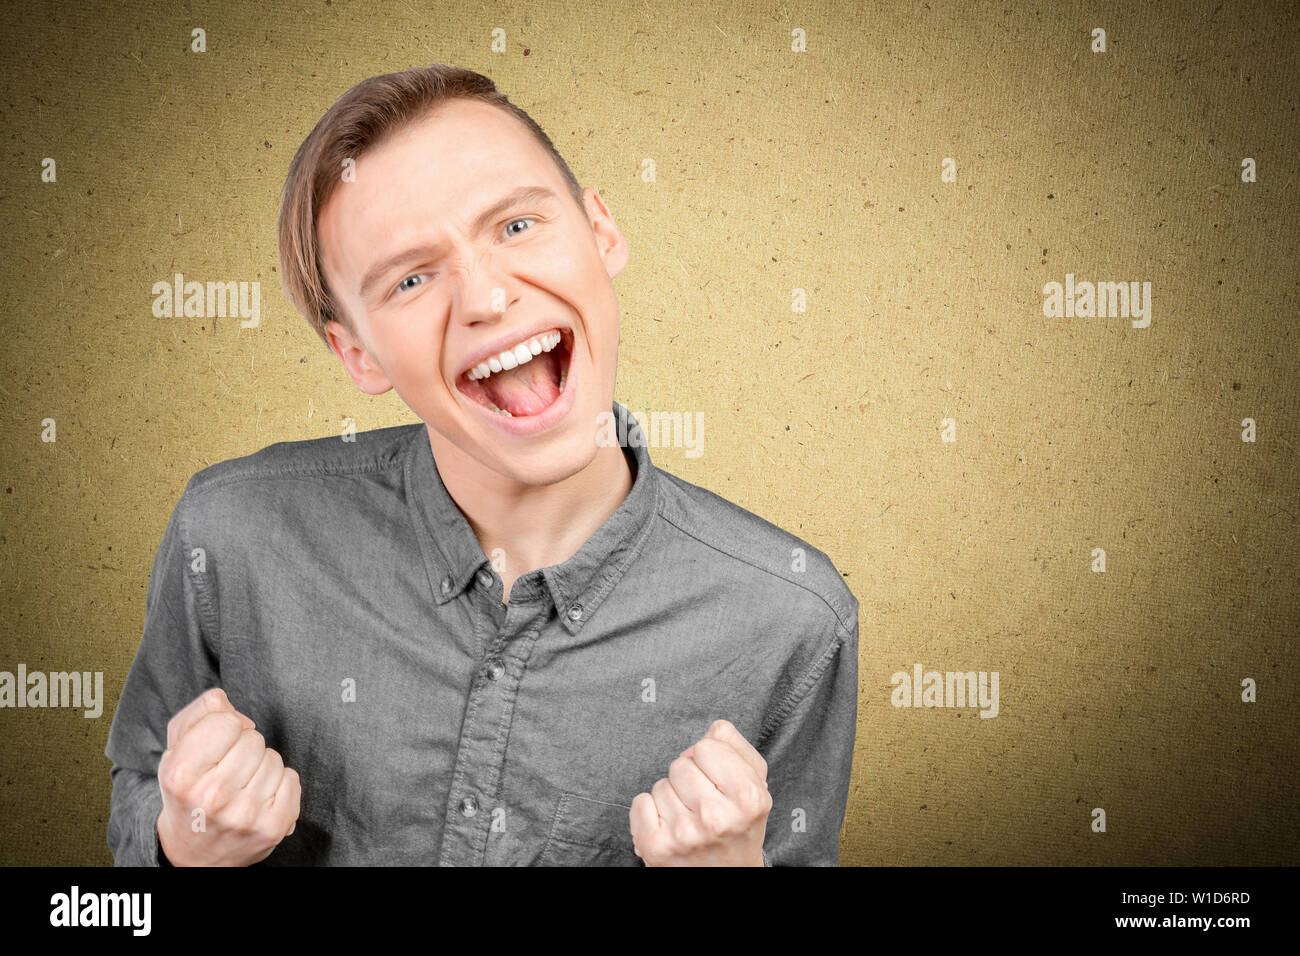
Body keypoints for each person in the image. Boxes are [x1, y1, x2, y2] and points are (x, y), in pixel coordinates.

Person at [105, 64, 859, 866]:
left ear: (601, 230)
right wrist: (176, 847)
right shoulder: (229, 536)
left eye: (517, 227)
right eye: (412, 278)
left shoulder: (793, 622)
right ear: (357, 353)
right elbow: (130, 827)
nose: (487, 298)